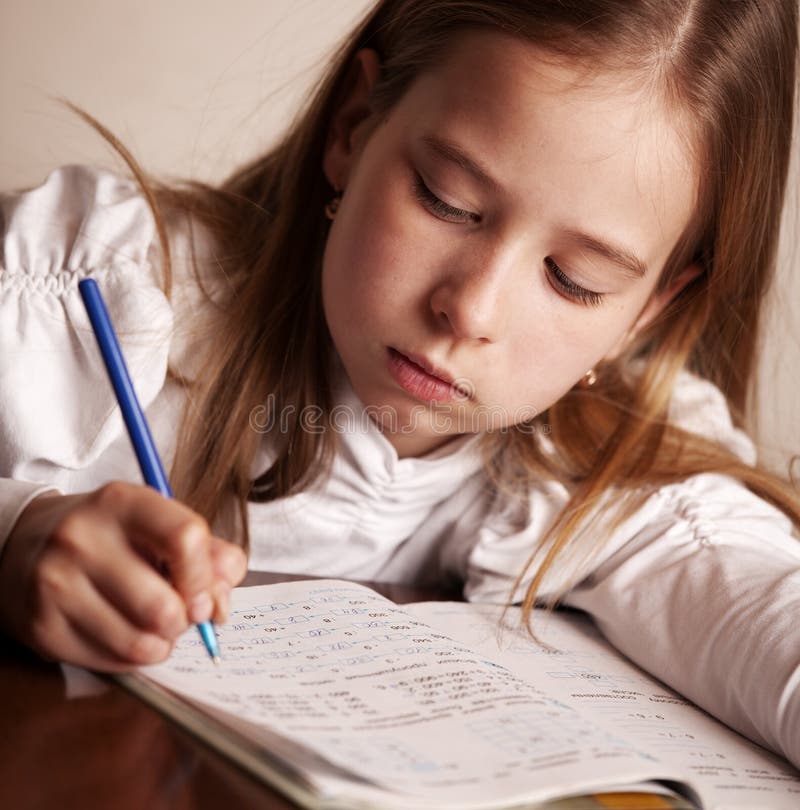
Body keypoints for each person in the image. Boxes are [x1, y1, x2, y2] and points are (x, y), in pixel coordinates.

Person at [2, 0, 800, 769]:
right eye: (445, 201)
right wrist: (16, 537)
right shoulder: (86, 289)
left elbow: (767, 617)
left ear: (646, 312)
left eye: (573, 279)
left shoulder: (614, 468)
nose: (470, 309)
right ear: (355, 127)